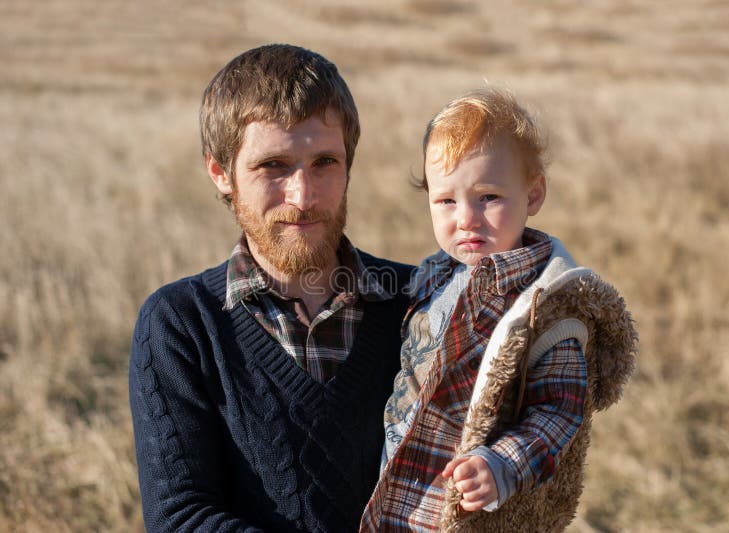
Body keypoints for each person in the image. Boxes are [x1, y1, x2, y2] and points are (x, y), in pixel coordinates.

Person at [129, 44, 413, 532]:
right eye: (273, 166)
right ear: (221, 173)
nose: (303, 196)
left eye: (325, 161)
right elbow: (180, 519)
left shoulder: (419, 301)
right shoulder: (181, 324)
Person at [360, 88, 637, 531]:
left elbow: (559, 410)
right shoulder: (434, 278)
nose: (466, 218)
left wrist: (501, 465)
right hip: (400, 496)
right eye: (446, 201)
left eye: (487, 197)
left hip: (469, 510)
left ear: (533, 195)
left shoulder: (545, 305)